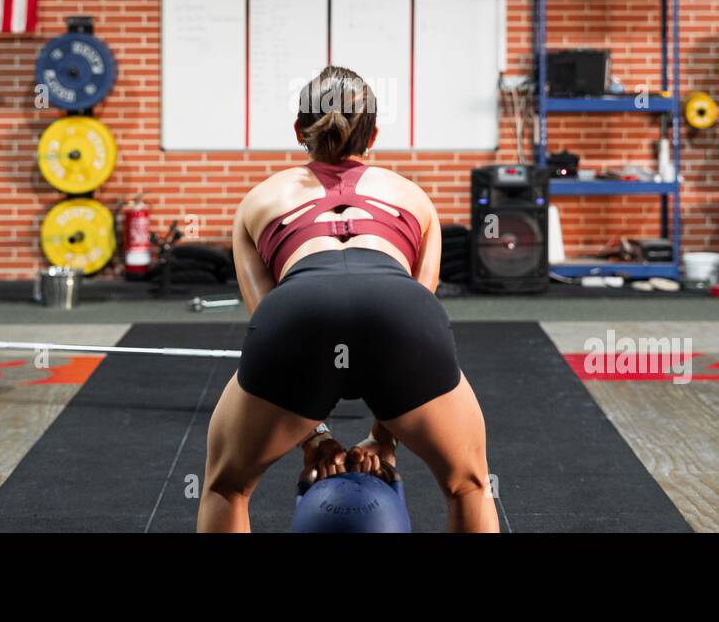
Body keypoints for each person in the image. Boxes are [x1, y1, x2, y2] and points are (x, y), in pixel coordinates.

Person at [197, 66, 498, 533]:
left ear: (299, 130)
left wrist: (312, 435)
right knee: (468, 484)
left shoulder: (258, 199)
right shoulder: (414, 198)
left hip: (299, 312)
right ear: (373, 133)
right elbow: (411, 315)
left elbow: (266, 317)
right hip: (400, 310)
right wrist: (385, 439)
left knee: (225, 486)